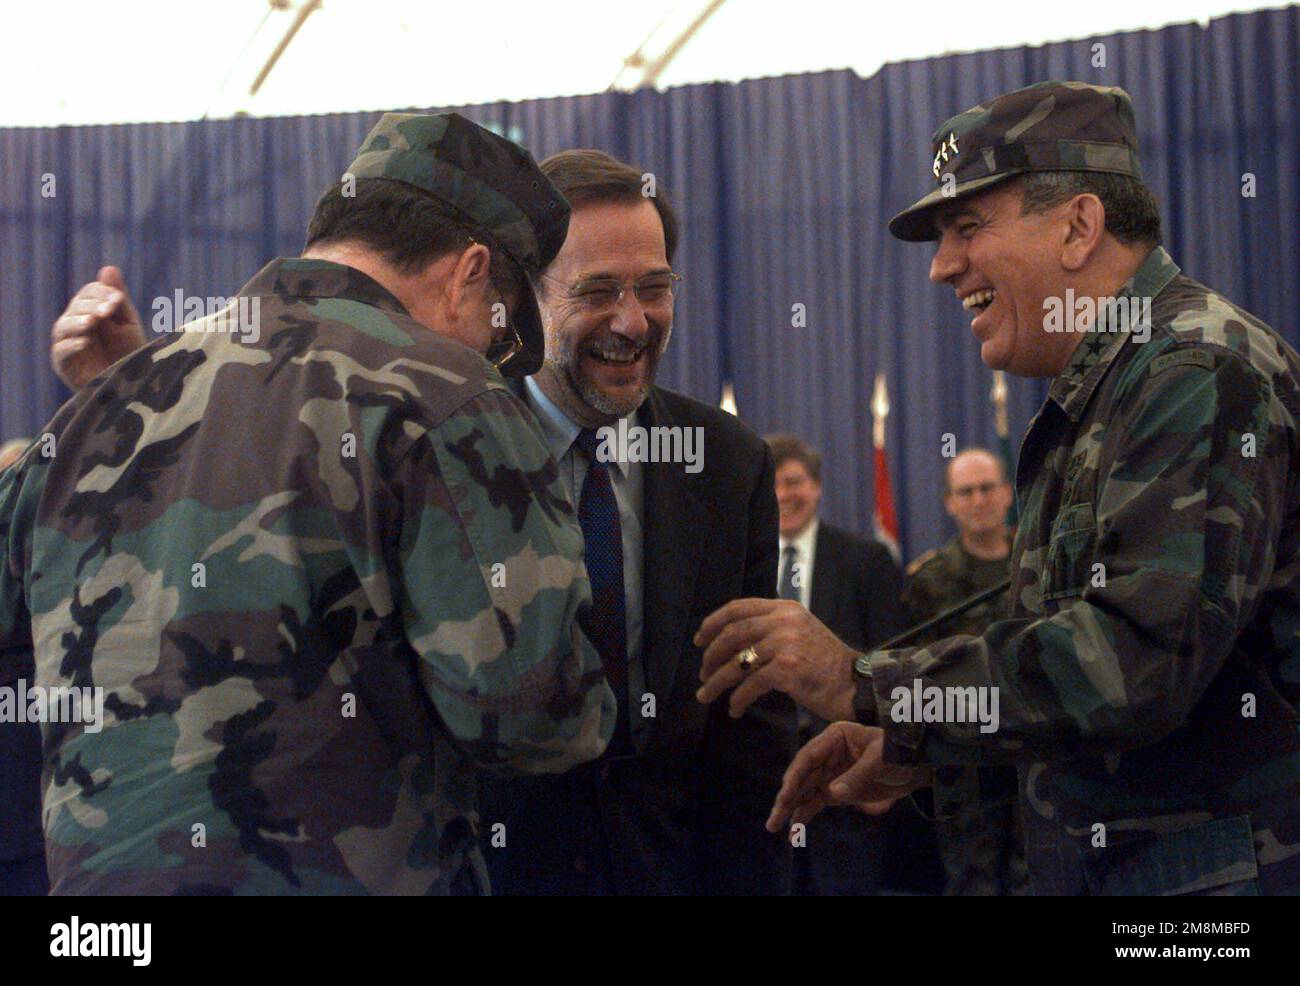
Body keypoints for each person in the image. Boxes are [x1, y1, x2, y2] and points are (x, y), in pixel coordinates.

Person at [699, 81, 1300, 895]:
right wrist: (915, 741)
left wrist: (864, 685)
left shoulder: (1194, 371)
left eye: (967, 228)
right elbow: (1065, 654)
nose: (944, 268)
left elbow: (1135, 665)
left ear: (1079, 226)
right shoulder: (1109, 388)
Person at [8, 111, 616, 894]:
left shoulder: (107, 402)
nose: (490, 360)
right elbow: (525, 714)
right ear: (469, 273)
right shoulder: (446, 394)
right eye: (499, 337)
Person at [477, 149, 797, 894]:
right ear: (524, 300)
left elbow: (746, 726)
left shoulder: (725, 462)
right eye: (596, 292)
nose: (632, 321)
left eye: (654, 289)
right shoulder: (451, 450)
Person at [767, 433, 904, 895]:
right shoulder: (741, 563)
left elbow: (892, 656)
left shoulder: (866, 560)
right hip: (766, 776)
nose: (785, 495)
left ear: (817, 487)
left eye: (794, 482)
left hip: (847, 770)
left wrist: (888, 758)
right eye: (773, 486)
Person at [903, 448, 1026, 895]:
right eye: (965, 491)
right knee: (970, 881)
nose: (978, 500)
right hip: (963, 759)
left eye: (987, 488)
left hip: (1036, 748)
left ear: (1008, 493)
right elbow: (916, 676)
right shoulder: (928, 579)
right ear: (949, 503)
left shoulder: (1037, 565)